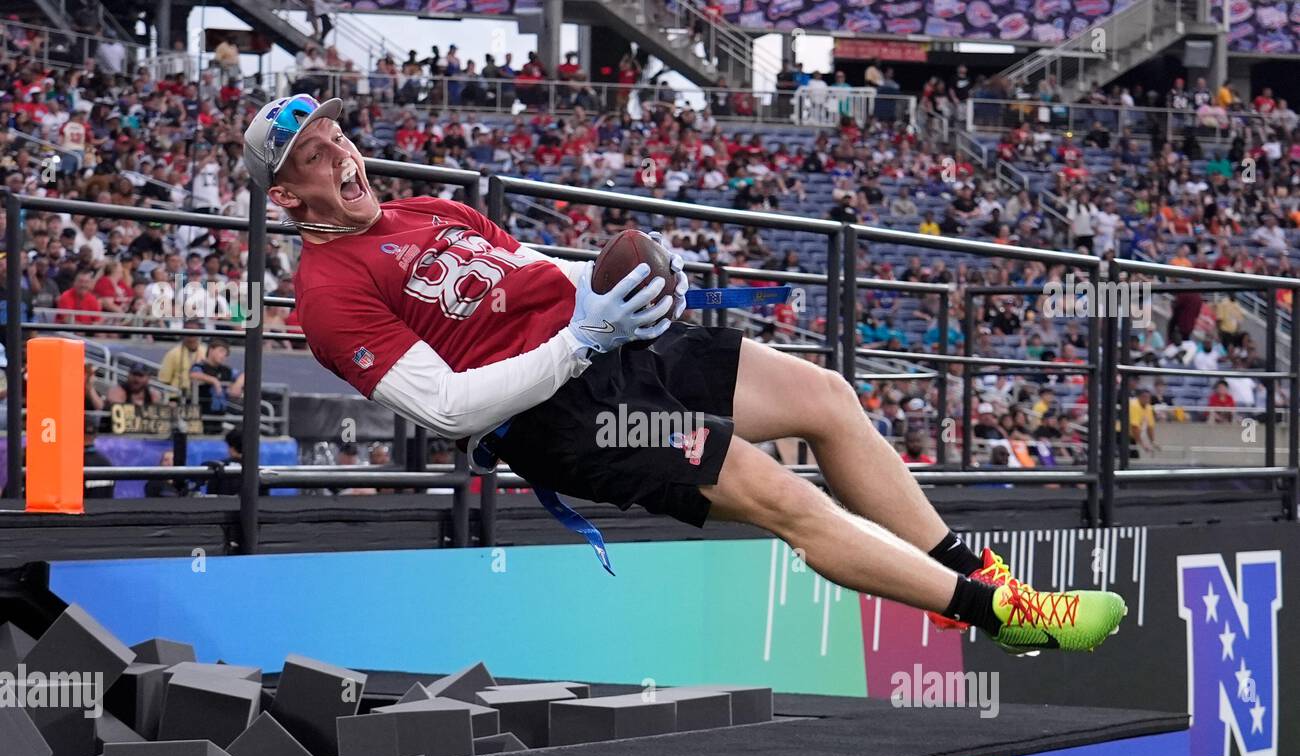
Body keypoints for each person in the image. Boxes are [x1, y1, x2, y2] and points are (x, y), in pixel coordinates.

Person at [240, 93, 1128, 653]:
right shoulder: (327, 292)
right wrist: (582, 340)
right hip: (561, 410)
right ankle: (998, 613)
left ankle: (973, 575)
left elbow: (531, 267)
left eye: (336, 135)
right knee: (790, 500)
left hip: (615, 342)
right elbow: (446, 409)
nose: (341, 156)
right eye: (313, 157)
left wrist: (629, 280)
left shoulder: (422, 205)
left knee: (826, 397)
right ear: (287, 197)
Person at [190, 339, 245, 433]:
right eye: (221, 351)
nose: (224, 356)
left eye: (226, 354)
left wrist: (238, 385)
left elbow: (242, 375)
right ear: (211, 350)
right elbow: (194, 374)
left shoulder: (226, 370)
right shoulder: (200, 366)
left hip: (220, 413)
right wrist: (214, 381)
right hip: (202, 413)